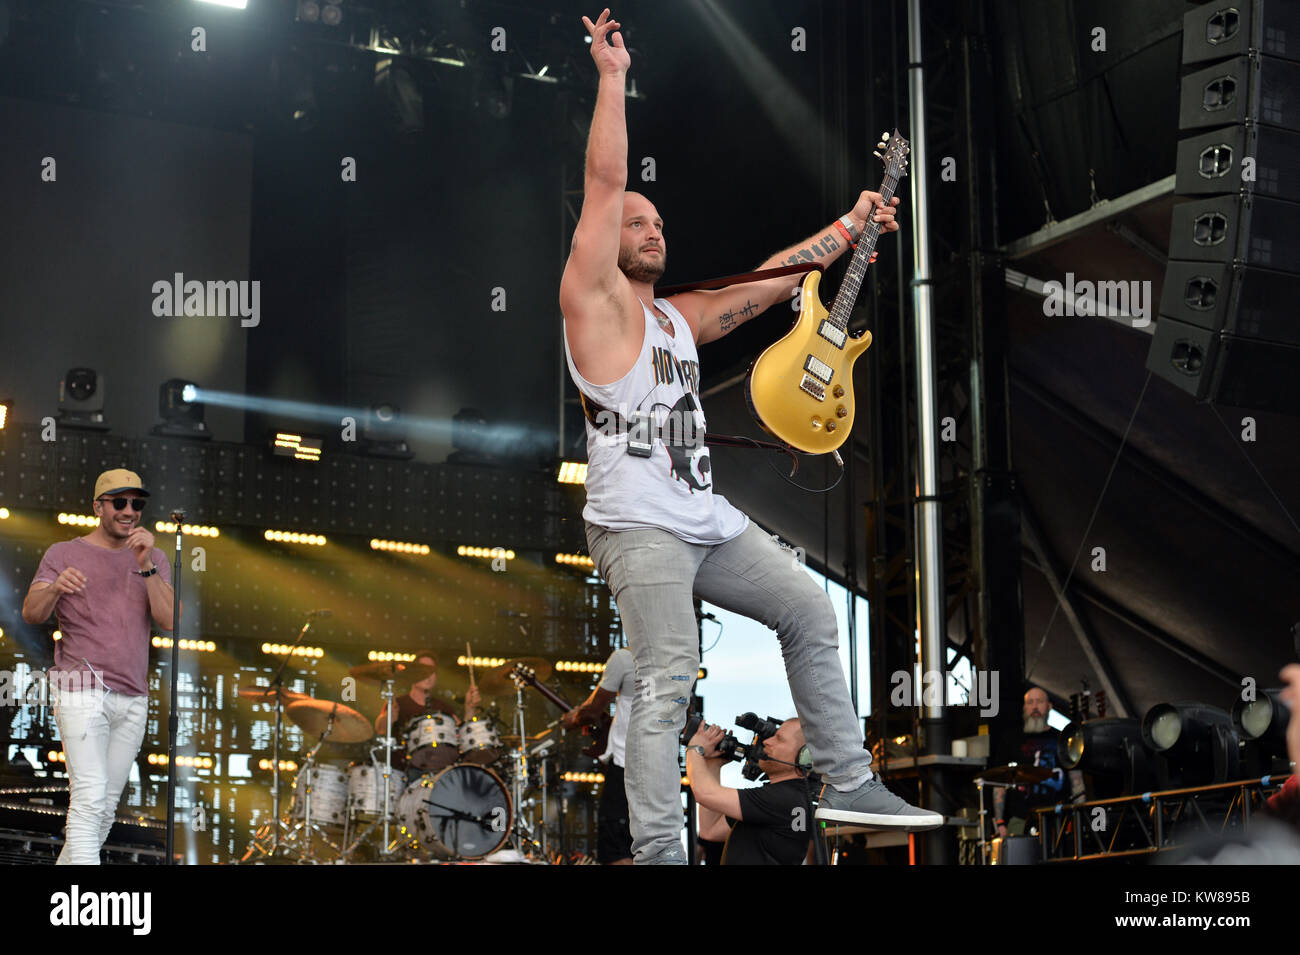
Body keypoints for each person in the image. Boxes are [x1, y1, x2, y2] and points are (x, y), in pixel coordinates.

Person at [560, 9, 941, 864]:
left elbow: (775, 282)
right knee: (666, 674)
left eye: (658, 222)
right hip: (637, 523)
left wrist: (853, 225)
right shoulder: (595, 306)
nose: (653, 228)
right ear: (602, 244)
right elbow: (604, 178)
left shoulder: (674, 322)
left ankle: (847, 778)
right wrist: (614, 77)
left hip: (703, 517)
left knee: (809, 607)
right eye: (637, 223)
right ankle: (660, 852)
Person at [20, 469, 176, 864]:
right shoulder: (62, 553)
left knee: (104, 807)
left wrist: (146, 565)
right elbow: (31, 613)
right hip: (82, 690)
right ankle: (84, 908)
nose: (129, 511)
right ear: (97, 507)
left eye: (137, 504)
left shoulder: (154, 558)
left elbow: (170, 620)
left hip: (133, 697)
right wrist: (55, 588)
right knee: (90, 797)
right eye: (119, 502)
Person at [687, 719, 813, 865]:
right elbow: (710, 830)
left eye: (779, 738)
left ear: (805, 757)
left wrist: (695, 748)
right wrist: (713, 765)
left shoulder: (783, 798)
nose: (767, 741)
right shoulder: (793, 797)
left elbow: (705, 794)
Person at [563, 646, 635, 864]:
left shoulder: (625, 657)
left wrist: (573, 718)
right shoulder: (678, 657)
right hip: (661, 768)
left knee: (617, 843)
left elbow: (593, 710)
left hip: (626, 764)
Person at [993, 685, 1084, 838]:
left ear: (1049, 706)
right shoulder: (1010, 740)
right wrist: (1000, 822)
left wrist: (1080, 818)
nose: (1035, 707)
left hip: (1057, 817)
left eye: (1039, 702)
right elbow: (999, 784)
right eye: (1030, 702)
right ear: (1024, 707)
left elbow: (1077, 781)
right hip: (1020, 818)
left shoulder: (1063, 739)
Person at [374, 651, 481, 744]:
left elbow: (462, 737)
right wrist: (389, 717)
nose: (428, 675)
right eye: (423, 670)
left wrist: (470, 709)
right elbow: (380, 729)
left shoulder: (444, 708)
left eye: (432, 671)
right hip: (402, 766)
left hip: (438, 765)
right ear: (412, 674)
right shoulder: (398, 703)